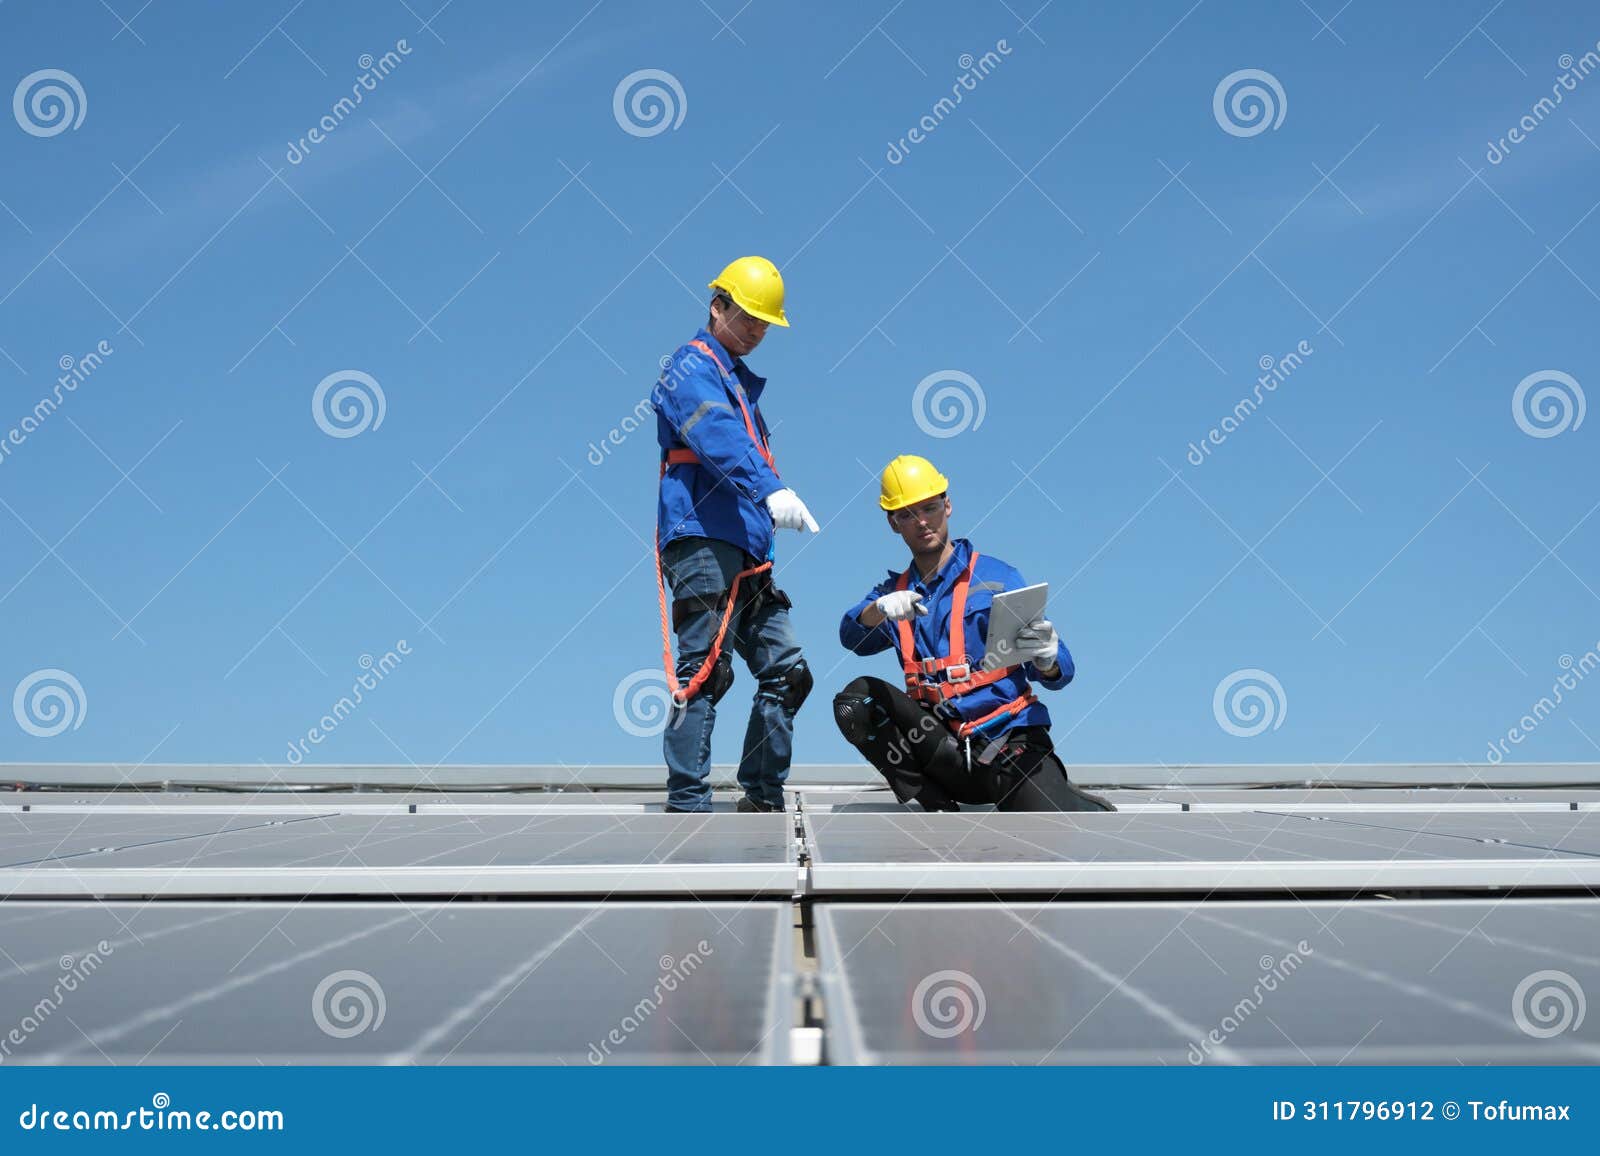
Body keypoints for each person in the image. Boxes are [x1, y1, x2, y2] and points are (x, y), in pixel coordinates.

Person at [833, 455, 1114, 812]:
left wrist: (1048, 660)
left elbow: (1059, 673)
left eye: (930, 508)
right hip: (942, 750)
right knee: (856, 699)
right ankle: (932, 801)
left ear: (947, 506)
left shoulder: (997, 578)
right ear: (893, 523)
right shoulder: (894, 596)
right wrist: (878, 609)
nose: (922, 521)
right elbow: (851, 637)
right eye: (907, 514)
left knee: (1052, 826)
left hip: (1008, 745)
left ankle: (1078, 802)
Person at [651, 256, 820, 814]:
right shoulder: (690, 368)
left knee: (788, 673)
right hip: (704, 537)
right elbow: (715, 433)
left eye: (764, 323)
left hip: (747, 549)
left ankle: (762, 800)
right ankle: (688, 806)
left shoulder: (740, 385)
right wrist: (771, 489)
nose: (756, 330)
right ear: (716, 306)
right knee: (705, 671)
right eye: (748, 317)